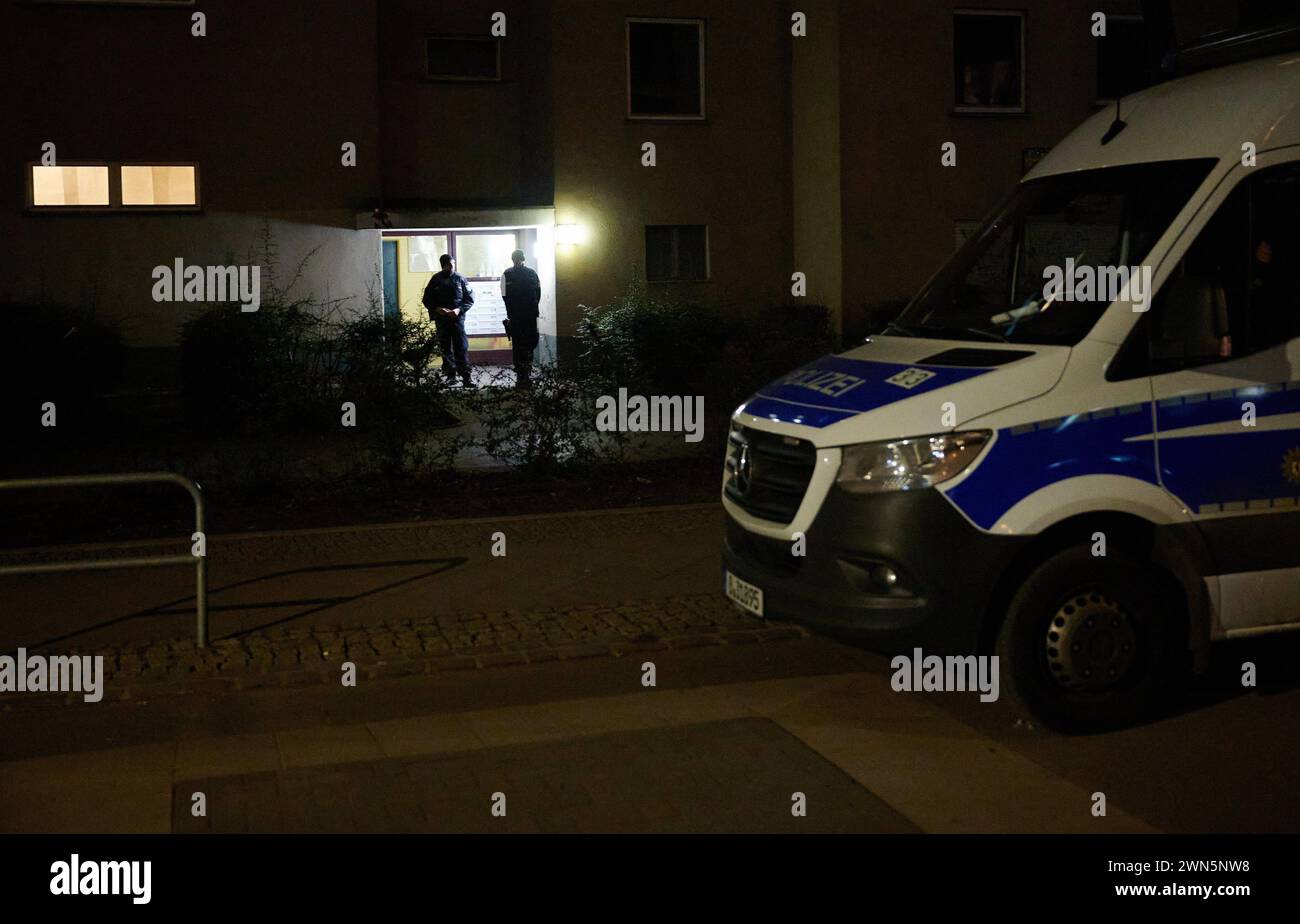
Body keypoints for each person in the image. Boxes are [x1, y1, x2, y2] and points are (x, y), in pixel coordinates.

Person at [422, 254, 475, 387]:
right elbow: (427, 299)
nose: (452, 267)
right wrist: (437, 309)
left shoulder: (460, 279)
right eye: (449, 265)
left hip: (457, 320)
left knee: (461, 348)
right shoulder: (436, 279)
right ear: (443, 265)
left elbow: (469, 299)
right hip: (442, 320)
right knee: (446, 349)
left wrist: (458, 310)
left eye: (453, 264)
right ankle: (451, 376)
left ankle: (466, 378)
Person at [500, 249, 541, 389]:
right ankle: (523, 377)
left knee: (524, 345)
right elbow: (537, 294)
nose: (519, 261)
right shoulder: (530, 274)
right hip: (524, 316)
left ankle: (523, 376)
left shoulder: (510, 274)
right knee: (524, 345)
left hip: (521, 316)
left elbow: (504, 296)